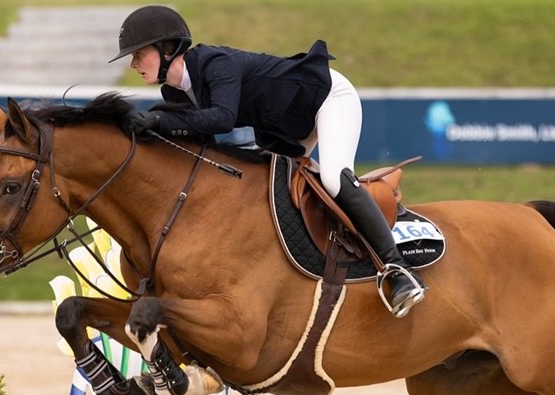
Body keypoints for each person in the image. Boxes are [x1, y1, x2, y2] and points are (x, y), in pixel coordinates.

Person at [110, 5, 426, 317]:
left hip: (326, 99)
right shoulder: (175, 94)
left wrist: (159, 122)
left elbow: (222, 118)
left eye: (139, 54)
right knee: (265, 190)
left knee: (333, 178)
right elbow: (200, 149)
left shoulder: (215, 64)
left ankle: (398, 268)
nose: (134, 63)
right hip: (284, 131)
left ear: (168, 49)